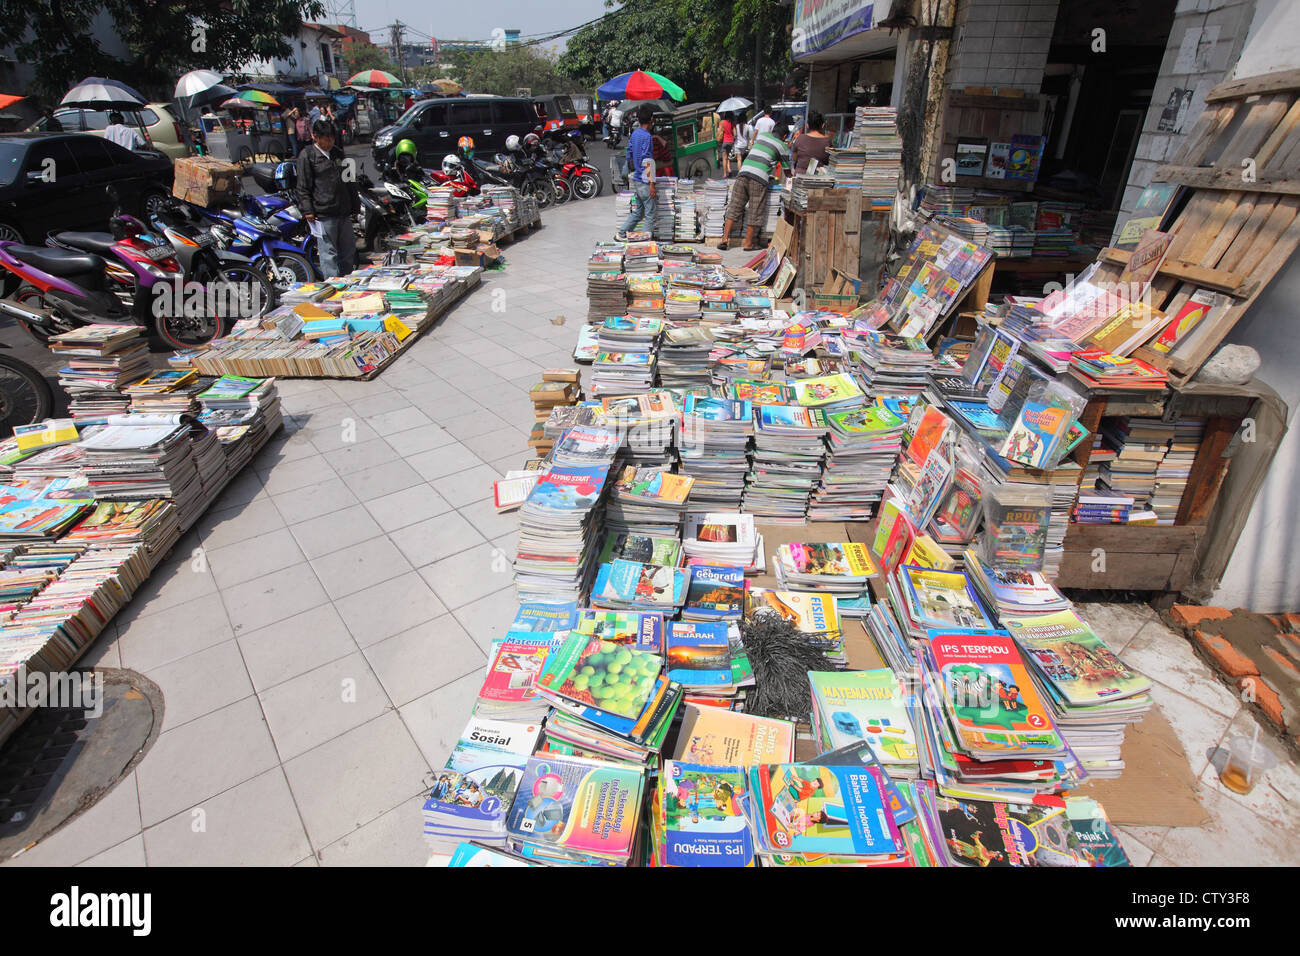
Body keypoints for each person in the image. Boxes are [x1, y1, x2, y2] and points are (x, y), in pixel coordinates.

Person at [296, 120, 358, 278]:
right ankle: (333, 284)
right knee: (328, 254)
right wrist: (307, 209)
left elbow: (350, 181)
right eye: (326, 139)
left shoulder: (338, 153)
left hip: (343, 211)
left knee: (348, 250)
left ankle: (348, 281)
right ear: (315, 137)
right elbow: (303, 185)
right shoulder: (308, 155)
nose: (330, 142)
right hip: (324, 213)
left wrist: (355, 206)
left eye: (332, 138)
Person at [719, 116, 789, 251]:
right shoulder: (782, 145)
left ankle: (724, 239)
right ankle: (748, 243)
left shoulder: (762, 137)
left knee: (735, 205)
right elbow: (787, 171)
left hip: (743, 172)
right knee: (755, 210)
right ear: (784, 136)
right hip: (759, 178)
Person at [616, 105, 657, 240]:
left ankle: (621, 233)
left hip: (636, 178)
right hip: (645, 180)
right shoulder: (647, 137)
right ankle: (645, 240)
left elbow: (629, 155)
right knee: (650, 213)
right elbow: (648, 160)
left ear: (638, 120)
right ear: (651, 119)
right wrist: (652, 183)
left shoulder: (635, 134)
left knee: (639, 211)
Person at [719, 112, 735, 178]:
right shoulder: (732, 123)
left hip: (724, 141)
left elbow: (720, 131)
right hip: (731, 141)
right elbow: (735, 133)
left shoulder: (722, 122)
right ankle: (729, 170)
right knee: (727, 157)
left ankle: (725, 174)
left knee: (724, 159)